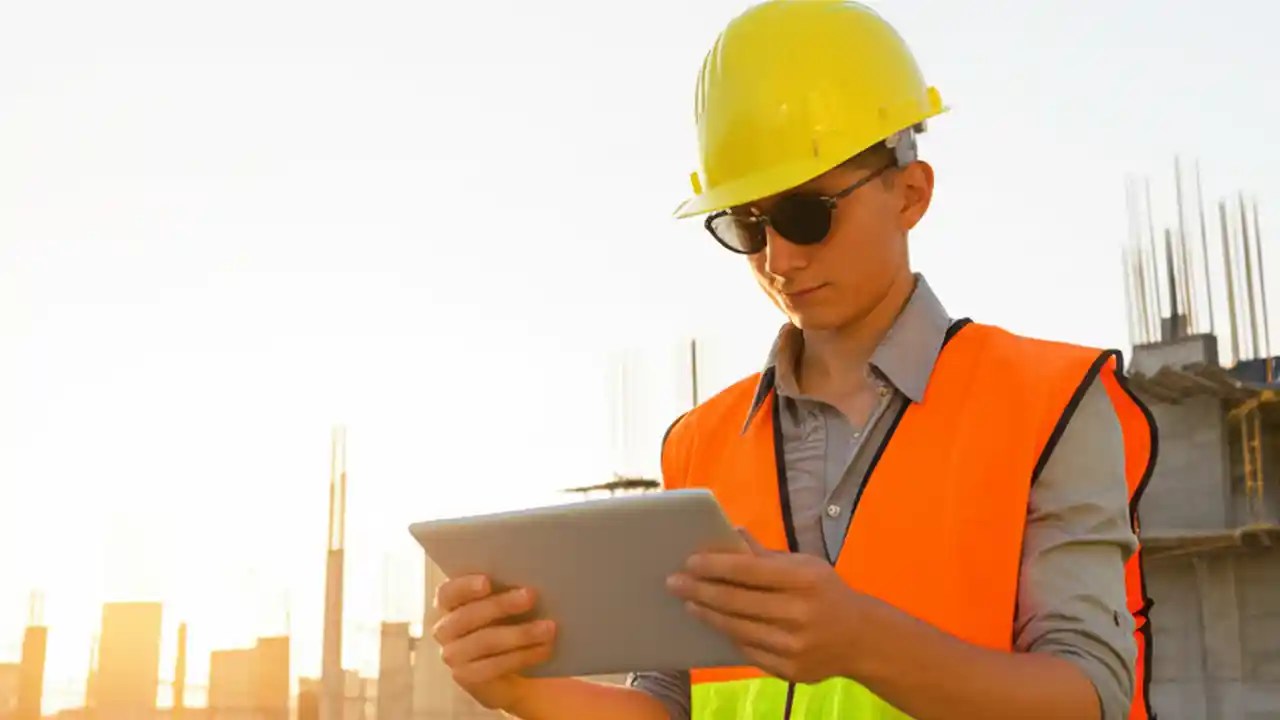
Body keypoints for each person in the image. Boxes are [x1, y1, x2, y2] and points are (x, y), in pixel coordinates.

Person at [430, 2, 1157, 719]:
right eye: (746, 225)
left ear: (911, 193)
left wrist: (864, 644)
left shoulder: (1048, 401)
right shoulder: (701, 442)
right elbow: (672, 704)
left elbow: (1087, 695)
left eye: (808, 215)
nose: (779, 258)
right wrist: (520, 690)